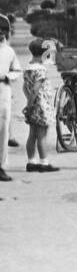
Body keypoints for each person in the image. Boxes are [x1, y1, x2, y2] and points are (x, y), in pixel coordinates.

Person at [21, 38, 59, 174]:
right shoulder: (40, 70)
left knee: (32, 134)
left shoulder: (27, 69)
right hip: (41, 107)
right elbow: (36, 89)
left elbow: (25, 87)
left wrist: (28, 102)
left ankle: (31, 161)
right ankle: (44, 162)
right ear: (44, 54)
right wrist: (31, 104)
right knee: (42, 135)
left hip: (33, 105)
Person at [0, 19, 19, 180]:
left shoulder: (8, 51)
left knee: (3, 129)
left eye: (3, 31)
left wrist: (8, 76)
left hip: (3, 89)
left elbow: (17, 69)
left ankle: (0, 166)